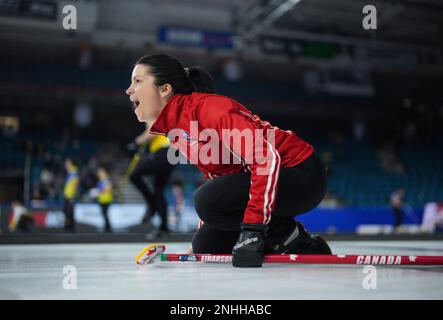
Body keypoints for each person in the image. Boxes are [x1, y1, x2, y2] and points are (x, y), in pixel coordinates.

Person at [125, 54, 331, 268]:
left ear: (164, 89)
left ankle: (293, 238)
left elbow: (266, 158)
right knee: (206, 244)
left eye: (137, 81)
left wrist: (253, 230)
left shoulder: (208, 108)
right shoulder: (177, 131)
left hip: (301, 173)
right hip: (270, 178)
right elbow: (221, 179)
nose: (129, 90)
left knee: (205, 200)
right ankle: (292, 244)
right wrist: (197, 244)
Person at [129, 123, 173, 238]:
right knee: (159, 190)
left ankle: (152, 204)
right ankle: (164, 228)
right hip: (173, 154)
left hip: (164, 151)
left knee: (134, 176)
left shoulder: (152, 113)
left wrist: (136, 141)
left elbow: (152, 131)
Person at [63, 158, 79, 232]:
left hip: (71, 195)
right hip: (67, 195)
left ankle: (70, 227)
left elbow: (75, 183)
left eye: (67, 163)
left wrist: (73, 193)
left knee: (70, 211)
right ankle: (68, 226)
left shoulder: (73, 172)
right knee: (67, 211)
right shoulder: (69, 172)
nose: (65, 165)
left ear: (70, 164)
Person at [95, 167, 114, 233]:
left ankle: (108, 228)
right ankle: (107, 227)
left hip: (106, 199)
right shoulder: (101, 181)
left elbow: (108, 189)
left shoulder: (106, 180)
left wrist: (99, 192)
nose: (99, 174)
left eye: (100, 172)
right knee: (104, 214)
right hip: (101, 199)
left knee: (105, 213)